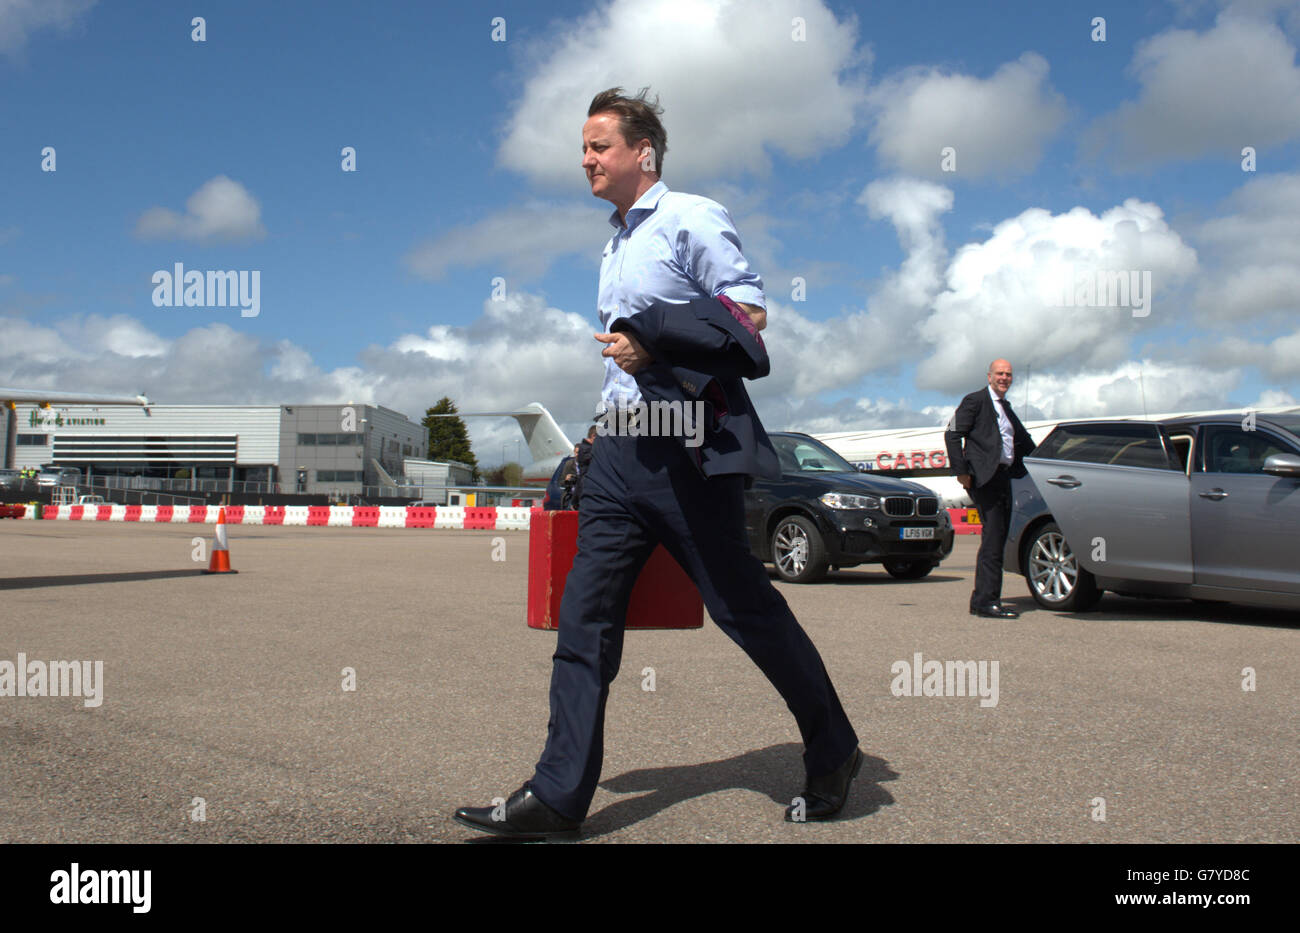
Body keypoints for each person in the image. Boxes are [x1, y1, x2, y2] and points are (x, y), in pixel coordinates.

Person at [453, 87, 860, 840]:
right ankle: (558, 793)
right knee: (585, 621)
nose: (585, 160)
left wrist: (655, 337)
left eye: (598, 145)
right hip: (618, 454)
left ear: (644, 153)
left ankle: (834, 747)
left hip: (686, 451)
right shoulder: (613, 243)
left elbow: (749, 317)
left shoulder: (691, 217)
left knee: (746, 611)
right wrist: (593, 437)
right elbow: (623, 364)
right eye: (582, 148)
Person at [943, 359, 1036, 619]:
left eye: (1008, 374)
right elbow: (951, 433)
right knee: (994, 538)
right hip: (984, 478)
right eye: (1000, 373)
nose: (1004, 378)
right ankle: (987, 601)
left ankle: (981, 599)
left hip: (1005, 477)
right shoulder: (975, 401)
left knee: (996, 538)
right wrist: (961, 472)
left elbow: (1025, 442)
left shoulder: (1005, 408)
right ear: (989, 376)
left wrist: (1048, 462)